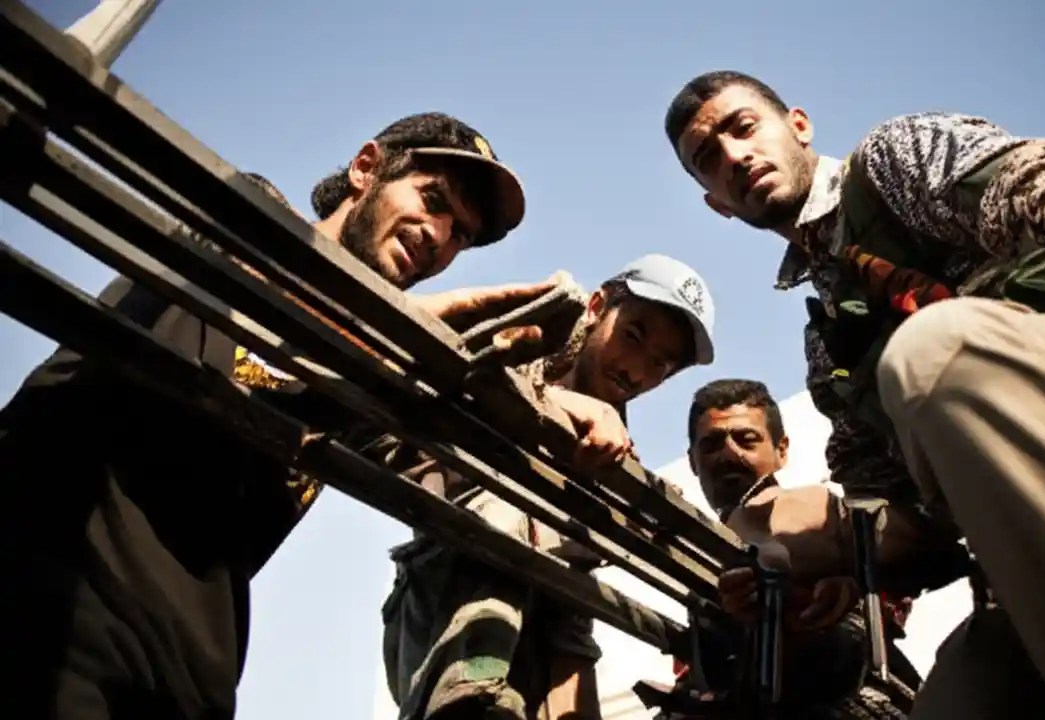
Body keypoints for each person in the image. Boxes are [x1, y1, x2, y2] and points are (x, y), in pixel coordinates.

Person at [664, 70, 1045, 718]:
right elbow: (920, 530)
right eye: (709, 159)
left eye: (743, 127)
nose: (734, 157)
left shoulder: (896, 162)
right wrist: (833, 562)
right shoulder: (829, 350)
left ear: (797, 124)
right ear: (716, 203)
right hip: (1043, 558)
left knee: (935, 345)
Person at [0, 111, 566, 720]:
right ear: (366, 168)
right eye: (432, 200)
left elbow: (449, 466)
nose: (439, 236)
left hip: (189, 684)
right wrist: (400, 333)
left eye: (460, 234)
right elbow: (265, 256)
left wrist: (573, 409)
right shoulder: (237, 227)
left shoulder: (370, 382)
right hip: (42, 622)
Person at [379, 253, 717, 720]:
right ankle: (470, 695)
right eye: (633, 336)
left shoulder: (613, 451)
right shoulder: (523, 343)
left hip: (544, 629)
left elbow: (572, 610)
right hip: (452, 610)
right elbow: (428, 449)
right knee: (506, 509)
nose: (636, 369)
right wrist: (553, 407)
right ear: (597, 306)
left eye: (660, 363)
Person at [674, 377, 921, 719]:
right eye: (712, 444)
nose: (729, 453)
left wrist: (849, 584)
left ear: (782, 450)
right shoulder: (699, 546)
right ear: (692, 460)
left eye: (746, 440)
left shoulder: (819, 508)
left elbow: (917, 546)